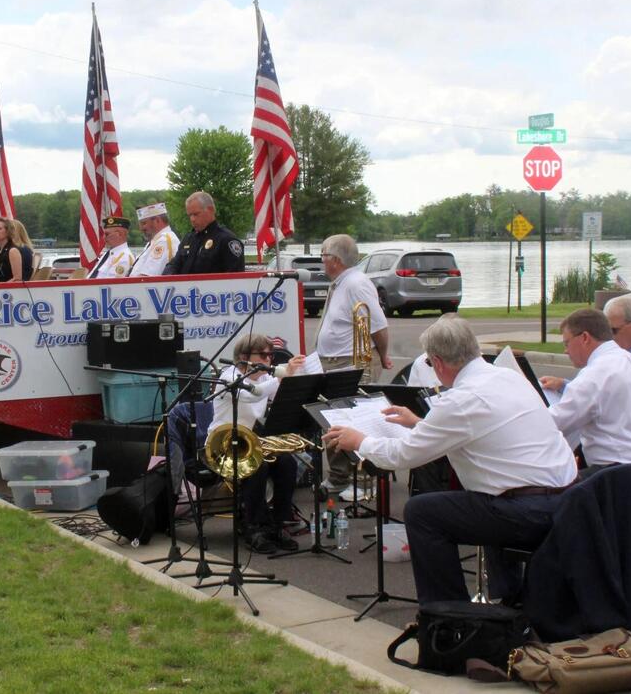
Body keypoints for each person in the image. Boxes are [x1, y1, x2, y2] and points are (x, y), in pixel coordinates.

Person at [324, 317, 578, 604]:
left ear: (438, 363)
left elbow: (402, 455)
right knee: (487, 495)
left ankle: (449, 613)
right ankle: (509, 600)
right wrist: (420, 423)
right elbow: (479, 432)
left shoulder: (460, 399)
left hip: (528, 510)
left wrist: (360, 441)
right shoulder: (508, 377)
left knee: (422, 512)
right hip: (569, 498)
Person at [547, 308, 631, 507]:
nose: (565, 351)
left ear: (585, 337)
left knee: (549, 497)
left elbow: (554, 422)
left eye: (567, 343)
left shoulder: (596, 372)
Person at [206, 334, 306, 554]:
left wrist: (297, 377)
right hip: (221, 443)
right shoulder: (229, 376)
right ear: (243, 357)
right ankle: (253, 527)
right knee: (257, 468)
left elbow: (278, 394)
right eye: (263, 355)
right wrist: (282, 376)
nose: (269, 360)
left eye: (270, 355)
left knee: (287, 463)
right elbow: (254, 396)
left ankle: (278, 524)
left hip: (248, 440)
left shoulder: (262, 379)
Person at [315, 234, 393, 501]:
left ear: (335, 260)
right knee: (334, 422)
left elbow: (378, 326)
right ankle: (339, 477)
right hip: (336, 362)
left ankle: (362, 481)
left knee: (357, 421)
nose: (322, 262)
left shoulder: (356, 284)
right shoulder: (340, 284)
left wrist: (382, 356)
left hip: (353, 362)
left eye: (323, 257)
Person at [541, 297, 631, 425]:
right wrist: (562, 384)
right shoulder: (624, 362)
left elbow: (619, 405)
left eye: (613, 330)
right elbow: (598, 393)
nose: (607, 335)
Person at [162, 191, 244, 275]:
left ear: (211, 210)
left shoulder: (226, 240)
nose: (192, 219)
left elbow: (236, 279)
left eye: (196, 214)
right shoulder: (188, 239)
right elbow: (174, 265)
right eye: (190, 215)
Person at [129, 202, 179, 276]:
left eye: (144, 223)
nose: (141, 229)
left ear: (157, 221)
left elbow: (146, 277)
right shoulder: (154, 242)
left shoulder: (164, 241)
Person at [0, 217, 34, 283]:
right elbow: (1, 272)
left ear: (8, 231)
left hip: (11, 290)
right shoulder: (0, 250)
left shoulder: (13, 250)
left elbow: (17, 279)